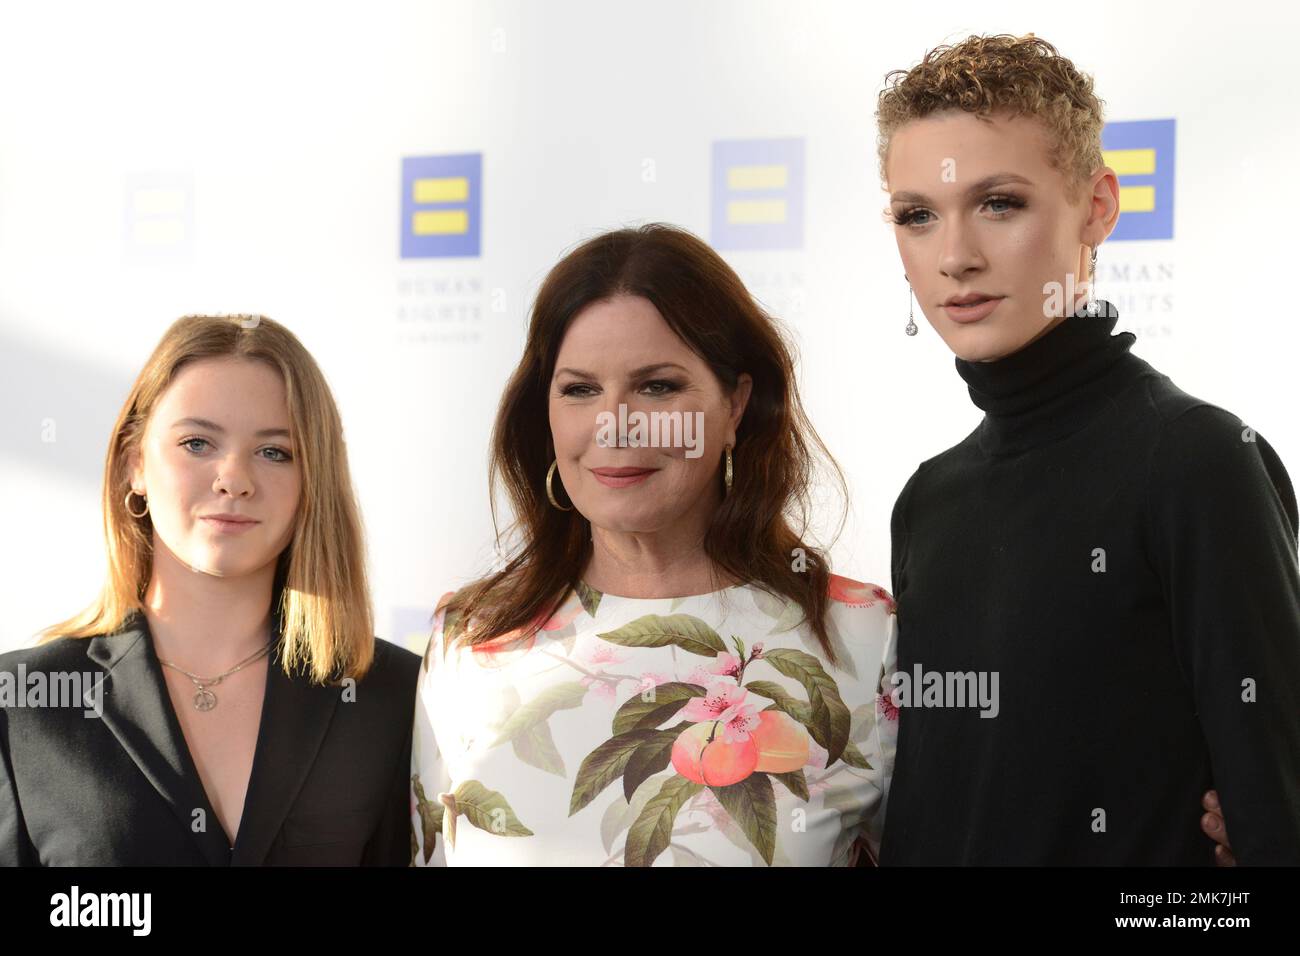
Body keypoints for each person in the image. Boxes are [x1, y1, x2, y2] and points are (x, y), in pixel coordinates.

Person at [874, 33, 1300, 864]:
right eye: (918, 215)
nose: (955, 257)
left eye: (1000, 203)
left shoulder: (1198, 461)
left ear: (1098, 207)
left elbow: (1274, 819)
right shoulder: (929, 499)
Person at [410, 224, 897, 866]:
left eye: (658, 387)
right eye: (580, 389)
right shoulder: (469, 642)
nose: (614, 423)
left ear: (735, 405)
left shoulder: (861, 639)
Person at [0, 314, 419, 865]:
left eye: (275, 452)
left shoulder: (394, 696)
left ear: (312, 479)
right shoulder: (22, 701)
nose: (233, 478)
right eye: (197, 443)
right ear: (135, 464)